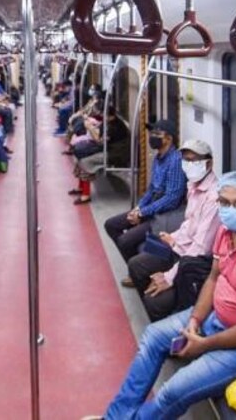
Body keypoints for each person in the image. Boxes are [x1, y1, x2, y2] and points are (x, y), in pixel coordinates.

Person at [86, 171, 236, 420]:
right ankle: (114, 417)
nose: (232, 209)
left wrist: (204, 344)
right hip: (218, 320)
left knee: (173, 390)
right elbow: (213, 278)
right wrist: (195, 321)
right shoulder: (227, 232)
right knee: (153, 337)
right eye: (224, 202)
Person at [128, 139, 220, 321]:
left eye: (193, 160)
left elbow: (200, 249)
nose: (188, 165)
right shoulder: (193, 186)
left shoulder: (214, 198)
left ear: (208, 163)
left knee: (155, 301)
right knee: (136, 264)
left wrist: (169, 276)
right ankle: (156, 312)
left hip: (192, 262)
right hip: (179, 246)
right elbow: (188, 223)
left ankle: (164, 325)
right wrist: (173, 238)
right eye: (185, 160)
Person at [103, 120, 187, 285]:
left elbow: (171, 198)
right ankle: (137, 270)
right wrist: (138, 208)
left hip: (164, 215)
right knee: (111, 224)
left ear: (168, 139)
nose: (152, 137)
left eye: (157, 134)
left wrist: (143, 213)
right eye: (152, 133)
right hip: (151, 209)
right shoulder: (158, 158)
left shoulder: (175, 161)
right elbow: (151, 190)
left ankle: (139, 274)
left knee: (125, 241)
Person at [70, 106, 130, 204]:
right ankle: (81, 187)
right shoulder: (108, 122)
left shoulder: (115, 127)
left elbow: (100, 141)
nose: (103, 117)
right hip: (109, 149)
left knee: (86, 161)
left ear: (111, 116)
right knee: (79, 155)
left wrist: (90, 128)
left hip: (115, 154)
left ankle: (86, 195)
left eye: (104, 115)